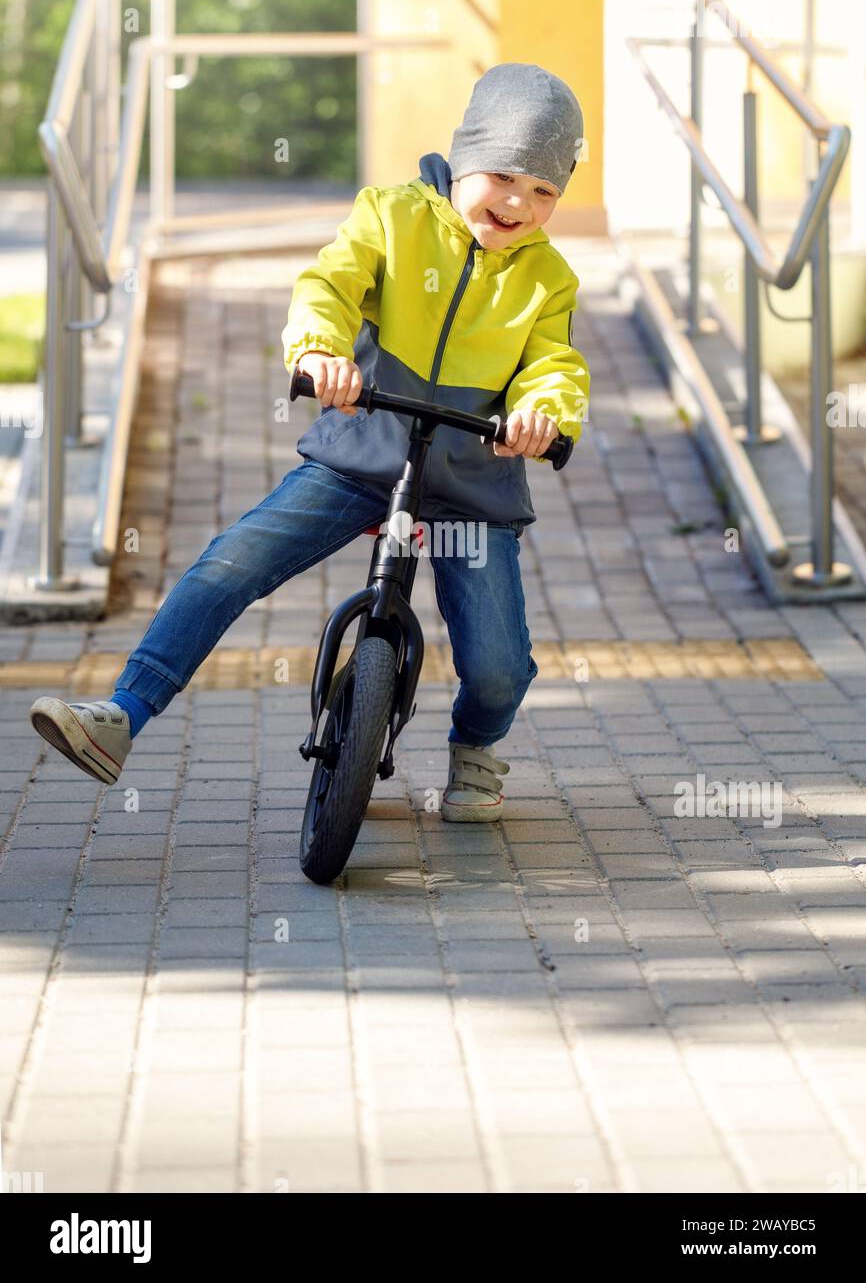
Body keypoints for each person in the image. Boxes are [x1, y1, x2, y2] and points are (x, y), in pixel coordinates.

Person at [29, 62, 590, 823]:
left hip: (472, 482)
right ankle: (124, 714)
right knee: (231, 562)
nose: (520, 202)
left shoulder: (547, 278)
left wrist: (544, 415)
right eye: (503, 175)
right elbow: (329, 282)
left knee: (496, 663)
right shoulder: (390, 216)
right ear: (464, 158)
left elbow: (553, 363)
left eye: (545, 190)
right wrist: (320, 351)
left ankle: (476, 750)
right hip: (363, 455)